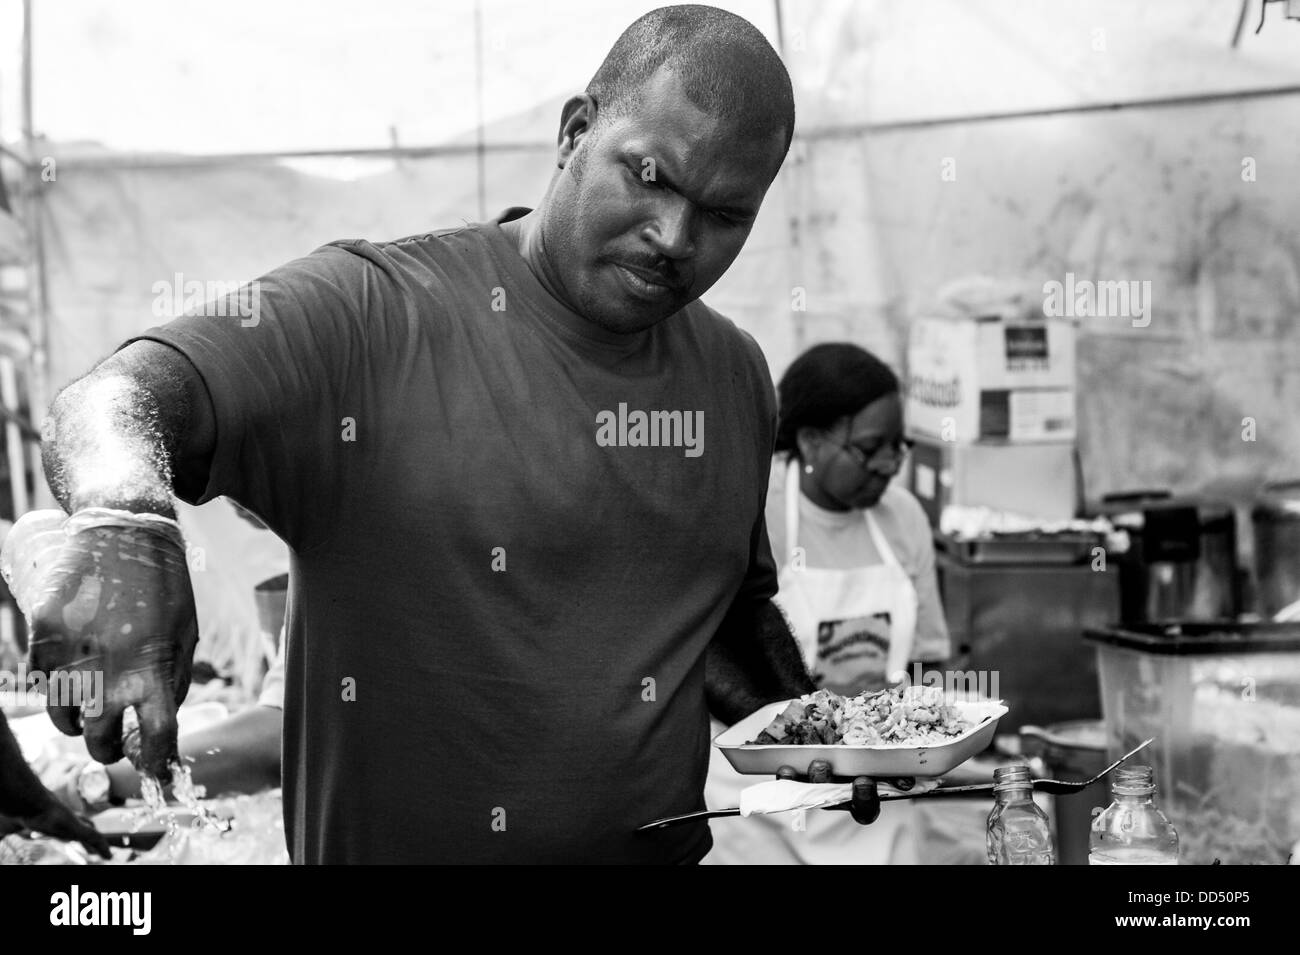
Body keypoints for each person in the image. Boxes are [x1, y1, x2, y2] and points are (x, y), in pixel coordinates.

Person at [23, 6, 851, 864]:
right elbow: (116, 399)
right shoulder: (373, 315)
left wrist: (839, 736)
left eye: (725, 214)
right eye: (649, 175)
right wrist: (126, 522)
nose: (675, 237)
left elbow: (714, 613)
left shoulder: (735, 375)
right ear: (575, 132)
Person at [704, 342, 952, 864]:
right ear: (812, 441)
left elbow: (930, 659)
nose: (888, 465)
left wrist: (921, 739)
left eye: (897, 447)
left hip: (878, 788)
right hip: (767, 792)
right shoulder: (753, 506)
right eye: (869, 447)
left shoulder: (903, 518)